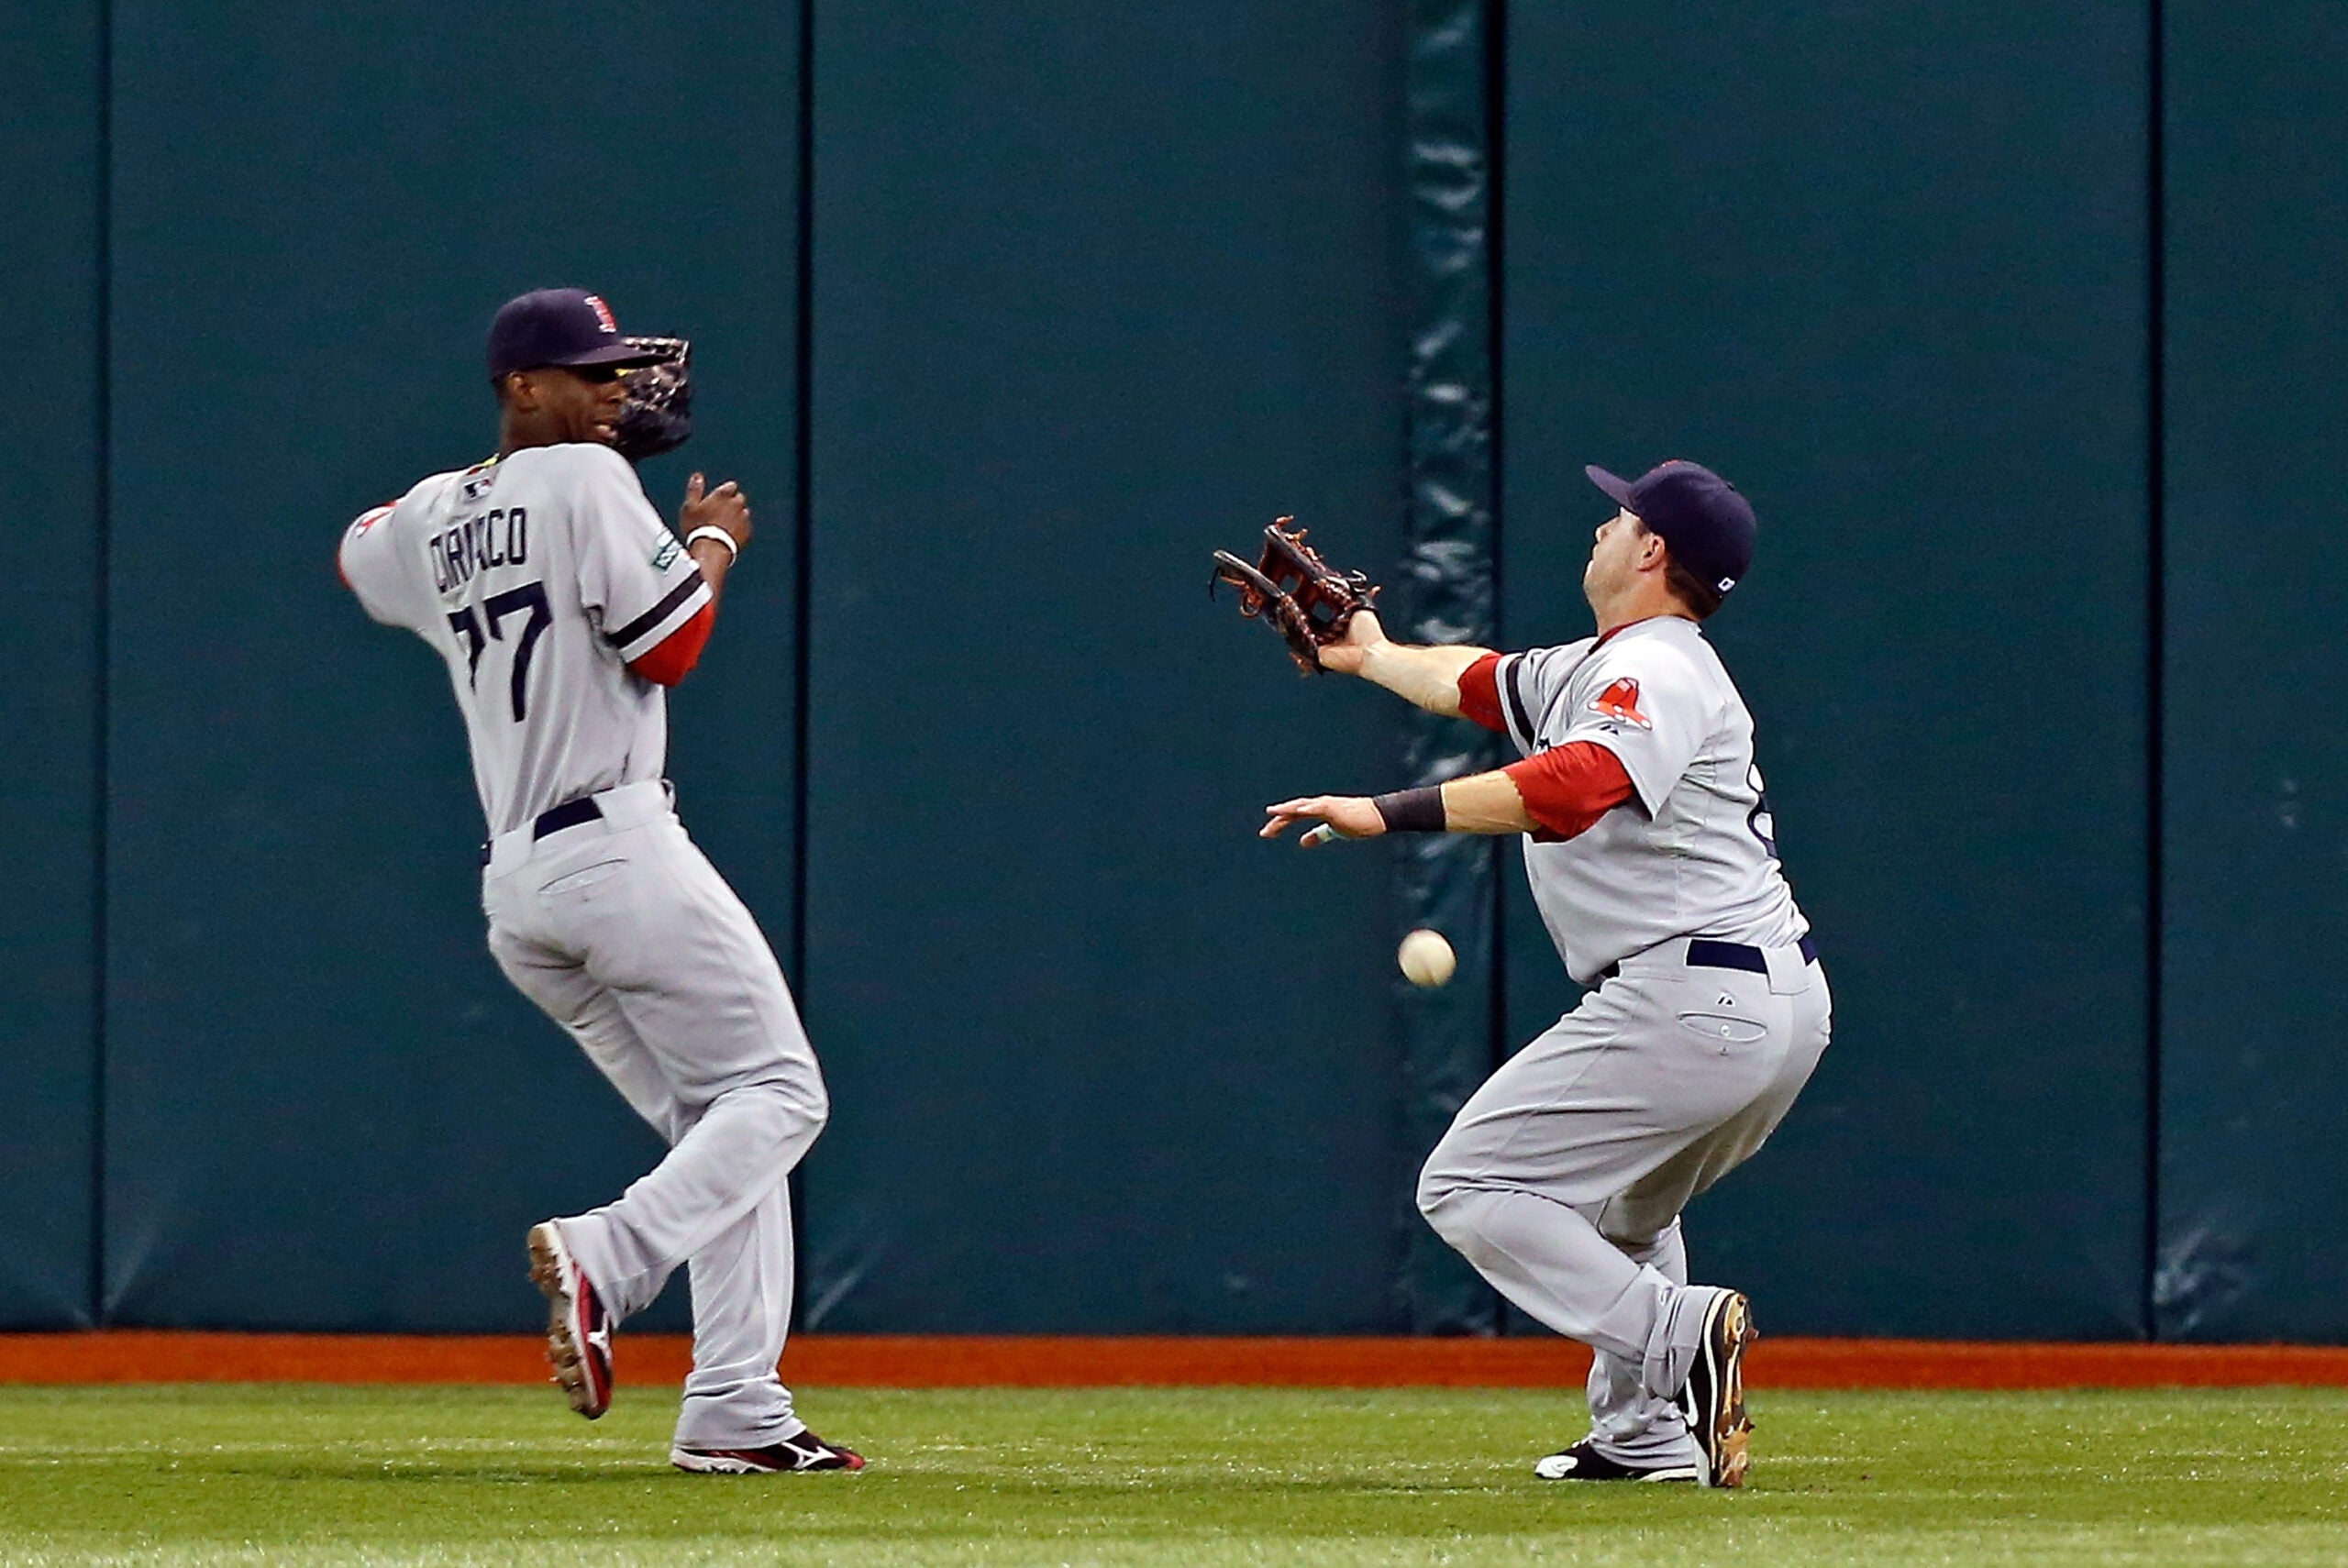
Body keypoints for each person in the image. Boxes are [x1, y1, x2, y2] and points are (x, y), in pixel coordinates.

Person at [338, 287, 860, 1474]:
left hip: (521, 890)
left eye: (618, 368)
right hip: (615, 846)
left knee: (721, 1124)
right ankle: (609, 1256)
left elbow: (353, 555)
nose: (617, 388)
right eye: (589, 371)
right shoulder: (583, 480)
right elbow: (669, 645)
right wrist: (716, 539)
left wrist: (459, 505)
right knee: (783, 1095)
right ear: (525, 385)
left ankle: (735, 1407)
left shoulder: (432, 514)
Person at [1262, 460, 1829, 1488]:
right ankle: (1646, 1437)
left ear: (1652, 550)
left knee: (1471, 1185)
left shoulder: (1657, 669)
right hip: (1764, 996)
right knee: (1627, 1217)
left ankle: (1675, 1337)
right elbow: (1475, 682)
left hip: (1694, 995)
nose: (1601, 531)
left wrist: (1384, 811)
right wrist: (1373, 654)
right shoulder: (1618, 663)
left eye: (1618, 517)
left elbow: (1575, 788)